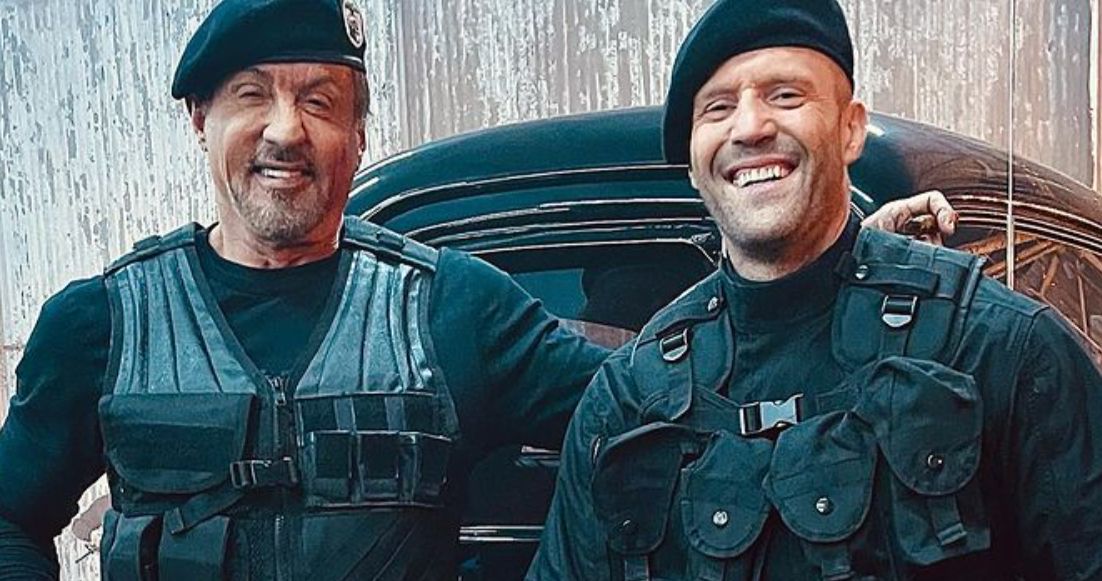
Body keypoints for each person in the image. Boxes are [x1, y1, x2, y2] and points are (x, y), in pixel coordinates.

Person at [0, 1, 958, 579]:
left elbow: (671, 398)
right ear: (200, 117)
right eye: (253, 94)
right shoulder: (101, 321)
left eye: (321, 100)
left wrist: (828, 265)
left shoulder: (453, 307)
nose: (287, 130)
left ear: (358, 136)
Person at [528, 1, 1102, 580]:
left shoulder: (1001, 350)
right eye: (718, 108)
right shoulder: (626, 399)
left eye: (785, 95)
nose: (750, 128)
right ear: (694, 166)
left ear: (850, 129)